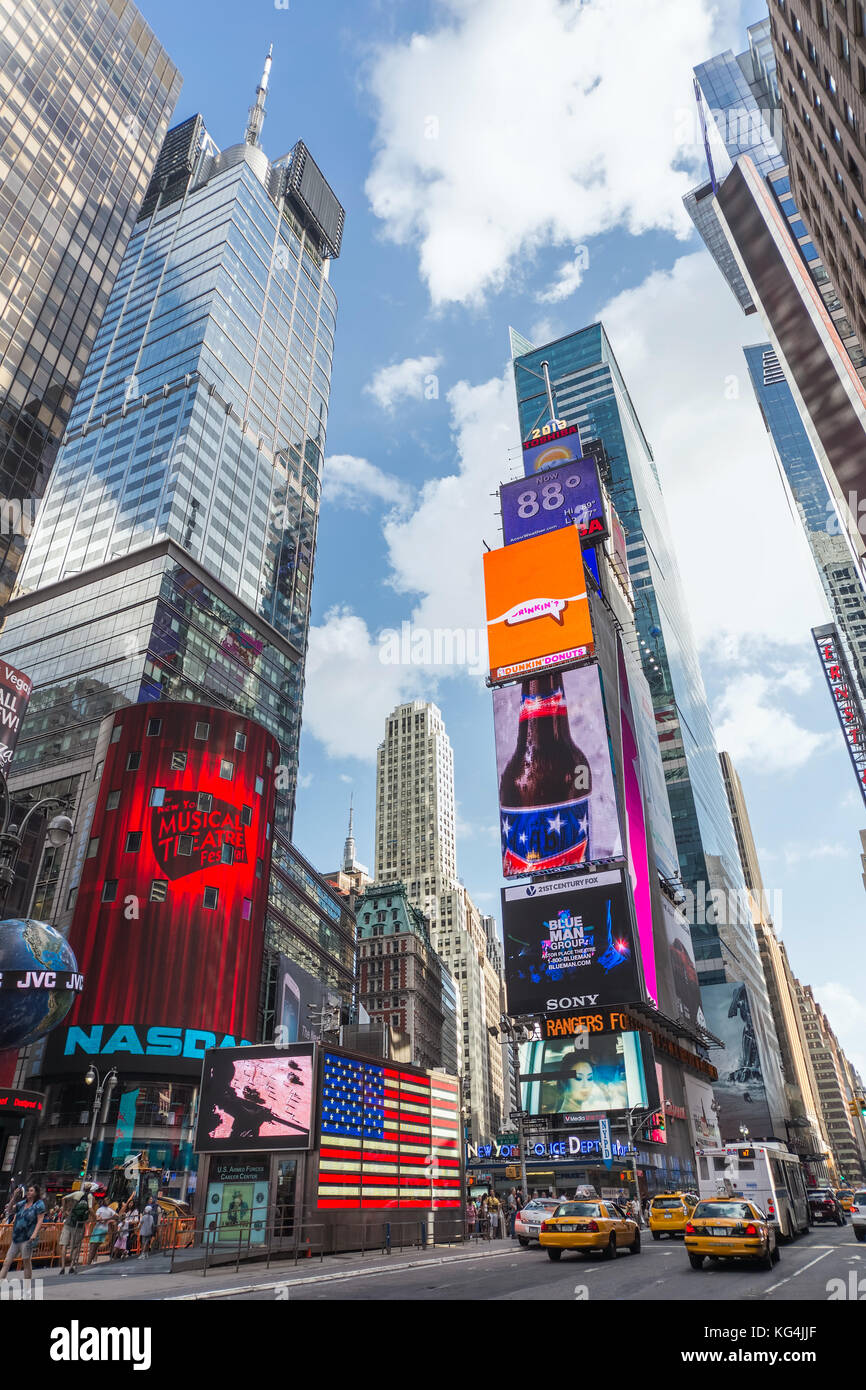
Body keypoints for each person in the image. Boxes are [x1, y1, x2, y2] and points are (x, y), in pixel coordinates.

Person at [0, 1183, 46, 1286]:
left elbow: (40, 1220)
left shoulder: (39, 1204)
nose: (29, 1193)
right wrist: (14, 1196)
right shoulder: (22, 1203)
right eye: (28, 1190)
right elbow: (9, 1210)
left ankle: (27, 1287)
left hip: (27, 1238)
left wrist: (34, 1234)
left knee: (26, 1262)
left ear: (36, 1193)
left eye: (31, 1191)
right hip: (16, 1237)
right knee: (7, 1262)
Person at [58, 1183, 93, 1276]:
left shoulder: (77, 1194)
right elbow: (90, 1209)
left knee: (64, 1245)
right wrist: (96, 1218)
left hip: (69, 1222)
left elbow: (63, 1198)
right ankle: (71, 1266)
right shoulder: (90, 1196)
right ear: (90, 1189)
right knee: (75, 1246)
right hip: (79, 1225)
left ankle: (62, 1267)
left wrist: (64, 1210)